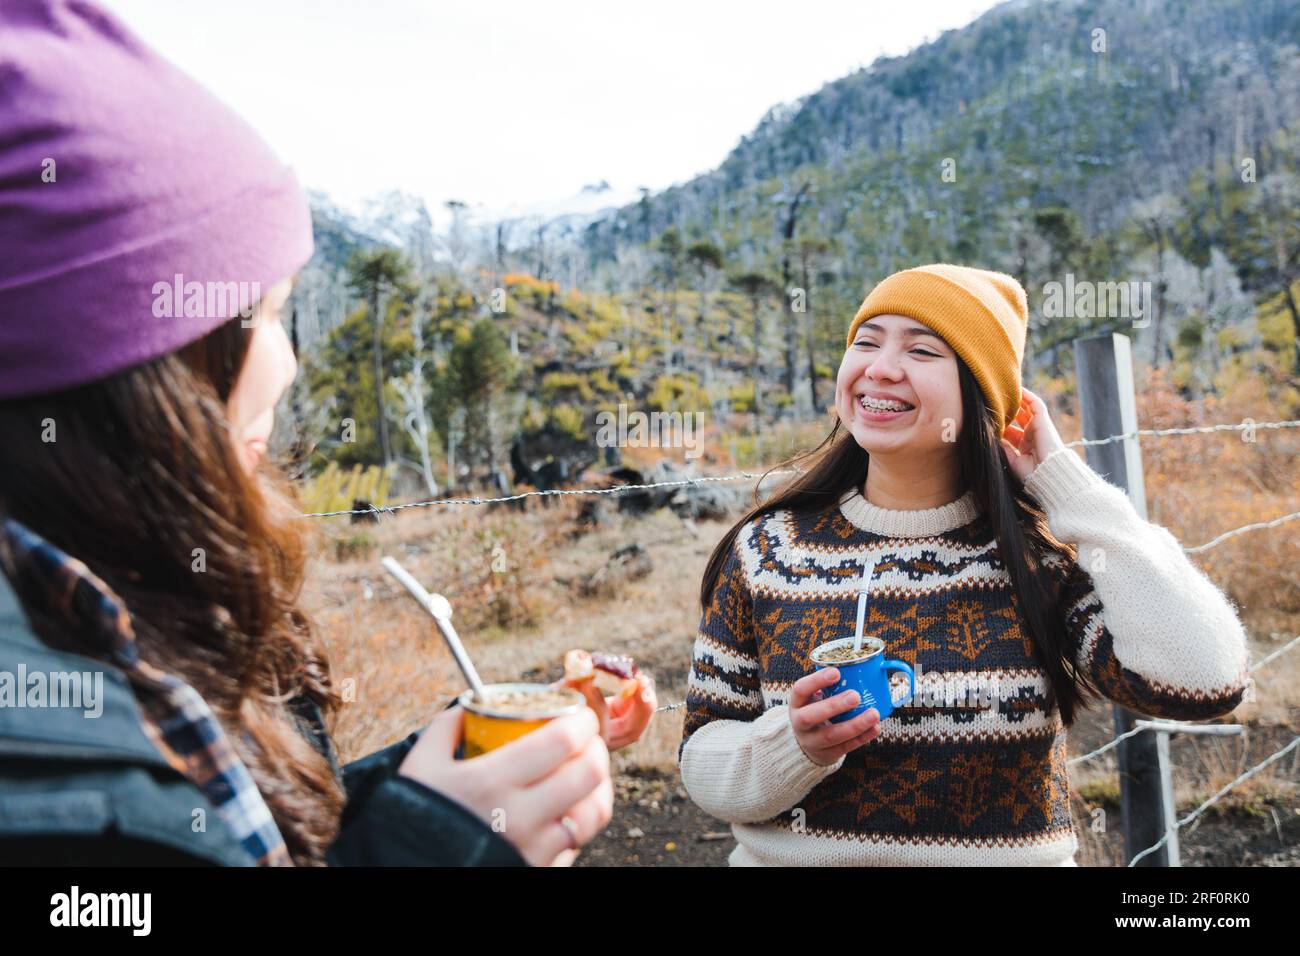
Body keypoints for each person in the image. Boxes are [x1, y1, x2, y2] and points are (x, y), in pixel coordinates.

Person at [0, 0, 654, 867]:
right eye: (263, 317)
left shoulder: (101, 614)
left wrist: (446, 780)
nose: (288, 366)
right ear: (128, 373)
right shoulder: (52, 779)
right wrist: (432, 850)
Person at [677, 263, 1252, 866]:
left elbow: (1206, 682)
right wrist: (794, 747)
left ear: (981, 394)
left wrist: (1072, 491)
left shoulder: (1035, 560)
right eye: (866, 342)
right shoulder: (772, 549)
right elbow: (703, 764)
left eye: (922, 349)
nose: (880, 366)